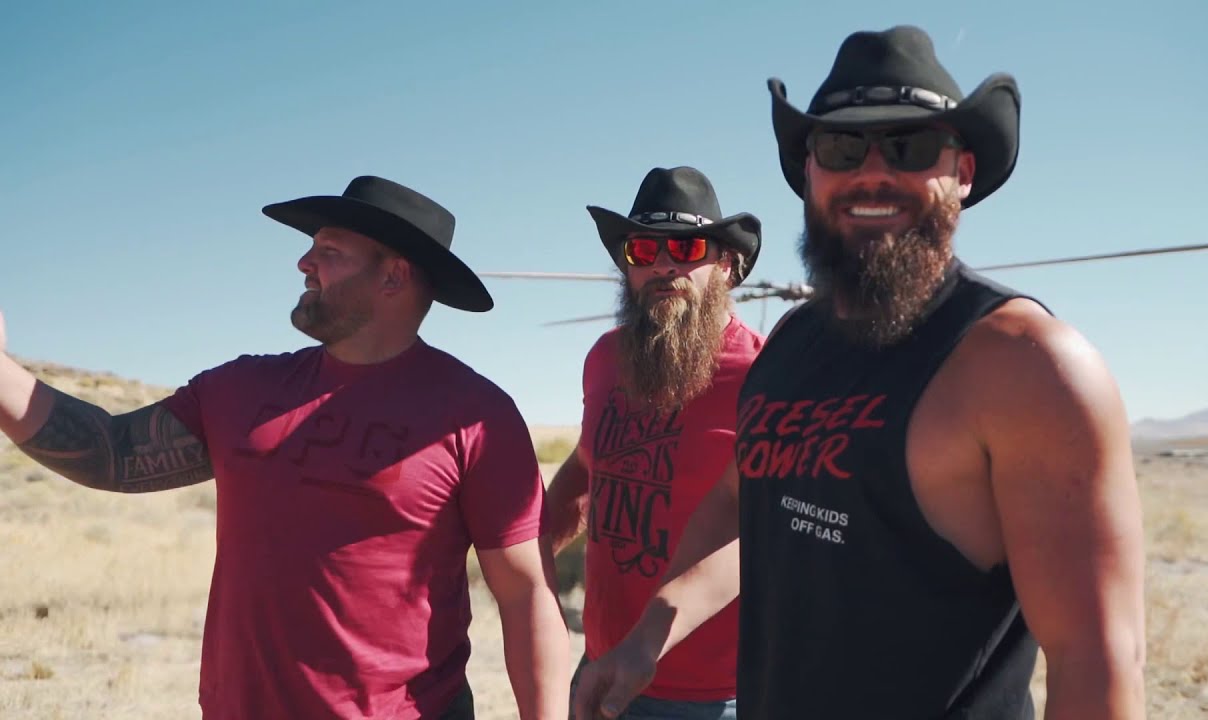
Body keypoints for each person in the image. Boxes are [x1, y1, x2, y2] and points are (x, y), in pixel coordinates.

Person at [572, 26, 1146, 720]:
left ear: (961, 171)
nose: (873, 171)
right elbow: (736, 503)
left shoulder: (1028, 366)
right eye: (843, 148)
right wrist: (648, 638)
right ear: (809, 173)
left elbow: (1098, 664)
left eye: (910, 145)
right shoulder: (790, 345)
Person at [0, 175, 571, 720]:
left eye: (329, 251)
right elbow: (112, 453)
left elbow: (527, 597)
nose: (304, 263)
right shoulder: (240, 390)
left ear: (393, 276)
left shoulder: (476, 415)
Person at [544, 166, 766, 719]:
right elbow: (586, 467)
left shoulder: (764, 374)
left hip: (717, 696)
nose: (665, 264)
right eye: (644, 249)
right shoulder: (604, 359)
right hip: (599, 670)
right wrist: (528, 559)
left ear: (726, 265)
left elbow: (770, 528)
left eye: (687, 247)